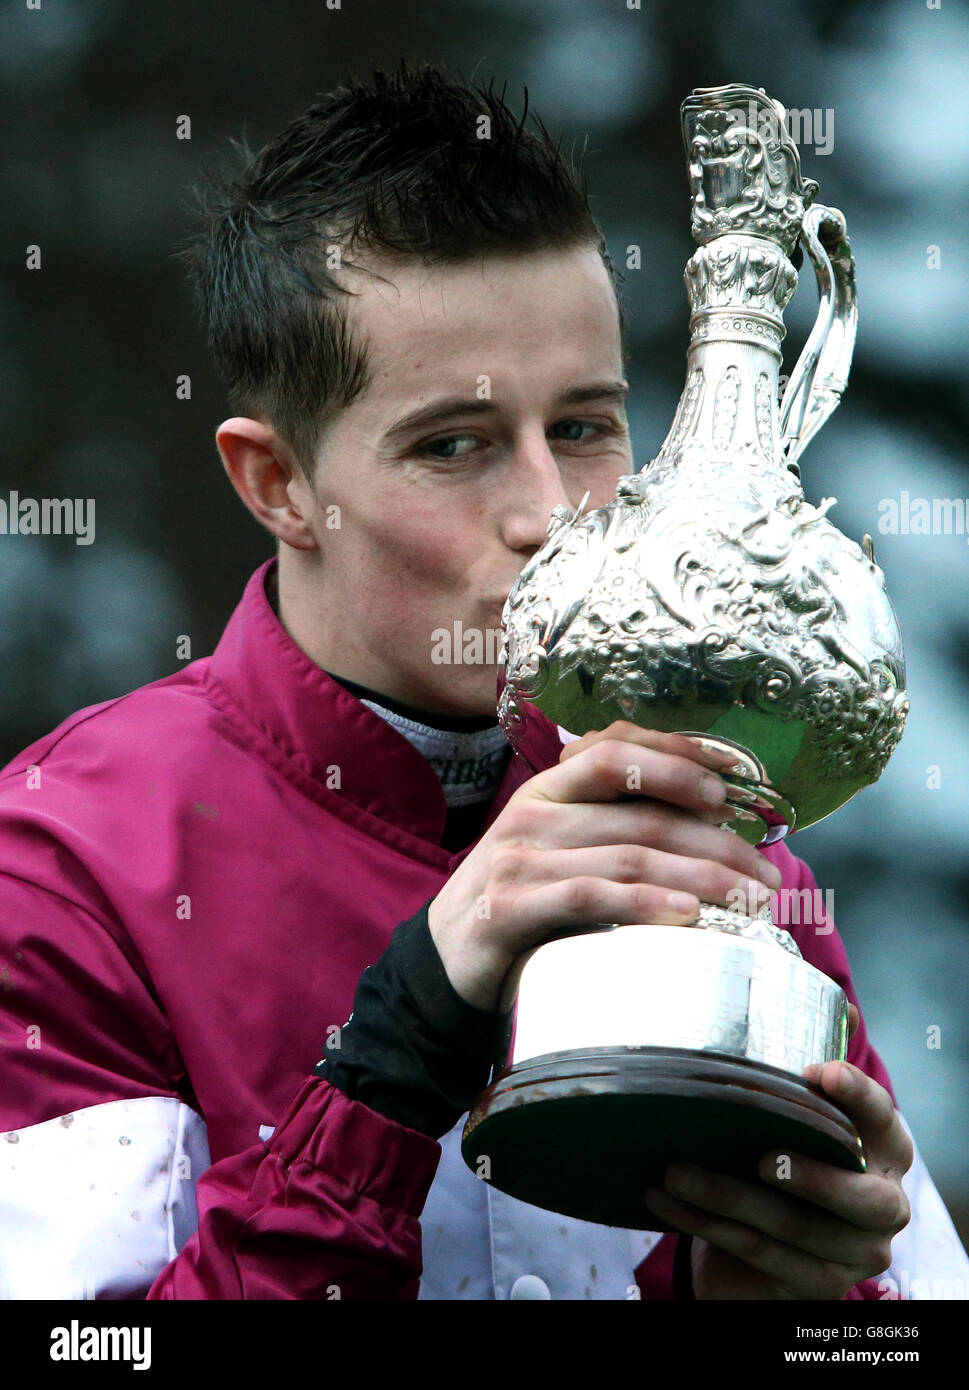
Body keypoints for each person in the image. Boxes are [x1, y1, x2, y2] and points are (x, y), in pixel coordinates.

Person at [0, 62, 966, 1302]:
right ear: (276, 483)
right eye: (452, 446)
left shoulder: (723, 836)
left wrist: (805, 1299)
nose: (552, 512)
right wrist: (396, 1051)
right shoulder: (65, 865)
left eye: (583, 427)